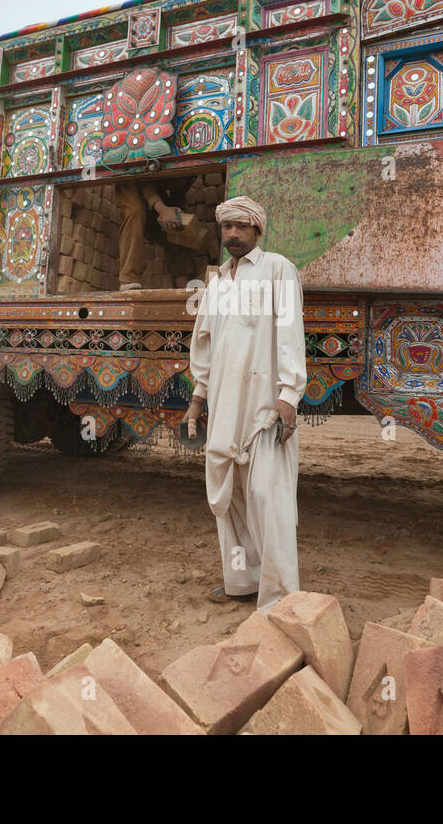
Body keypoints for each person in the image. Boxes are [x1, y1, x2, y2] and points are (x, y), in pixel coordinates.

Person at [184, 196, 306, 612]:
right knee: (231, 496)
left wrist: (288, 397)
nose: (233, 234)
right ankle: (242, 581)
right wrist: (198, 400)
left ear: (257, 230)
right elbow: (204, 346)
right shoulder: (216, 283)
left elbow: (290, 334)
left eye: (241, 226)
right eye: (227, 227)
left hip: (264, 407)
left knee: (267, 496)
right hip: (223, 407)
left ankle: (281, 598)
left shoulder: (278, 269)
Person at [115, 182, 185, 290]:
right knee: (135, 211)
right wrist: (161, 208)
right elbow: (144, 177)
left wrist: (171, 211)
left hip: (159, 181)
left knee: (179, 220)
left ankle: (182, 280)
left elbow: (180, 191)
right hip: (132, 174)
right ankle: (128, 278)